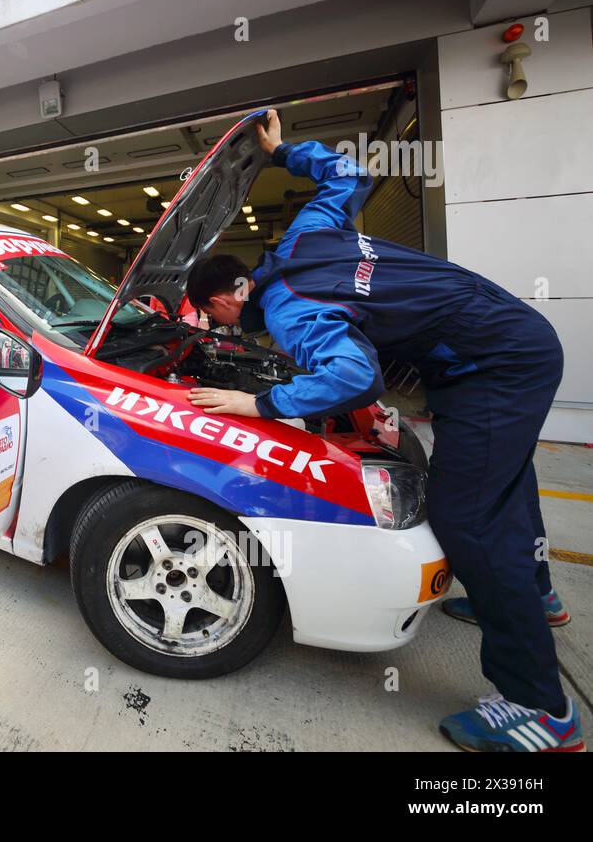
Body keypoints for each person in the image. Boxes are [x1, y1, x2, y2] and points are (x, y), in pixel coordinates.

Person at [182, 109, 582, 754]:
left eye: (213, 314)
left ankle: (542, 708)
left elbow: (352, 378)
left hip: (494, 365)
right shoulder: (305, 238)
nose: (222, 325)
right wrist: (284, 151)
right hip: (508, 337)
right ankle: (534, 594)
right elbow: (350, 173)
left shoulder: (287, 307)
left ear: (229, 297)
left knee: (468, 520)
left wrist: (259, 404)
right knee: (499, 479)